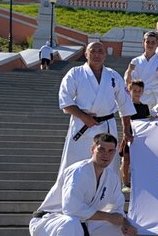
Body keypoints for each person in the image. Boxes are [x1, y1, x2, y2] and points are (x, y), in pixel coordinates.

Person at [30, 133, 137, 236]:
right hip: (48, 222)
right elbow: (71, 209)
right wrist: (108, 217)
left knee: (121, 229)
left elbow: (117, 208)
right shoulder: (78, 171)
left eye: (110, 151)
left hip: (81, 224)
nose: (106, 155)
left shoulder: (112, 178)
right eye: (101, 149)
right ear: (92, 149)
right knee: (70, 223)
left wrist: (124, 222)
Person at [41, 41, 135, 212]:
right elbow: (65, 101)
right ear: (86, 54)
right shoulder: (75, 73)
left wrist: (126, 128)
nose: (97, 54)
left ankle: (108, 207)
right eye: (93, 51)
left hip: (106, 126)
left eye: (101, 51)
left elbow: (125, 103)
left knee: (109, 168)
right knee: (75, 165)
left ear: (105, 55)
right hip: (82, 126)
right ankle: (67, 204)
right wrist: (84, 117)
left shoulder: (113, 76)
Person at [118, 80, 151, 192]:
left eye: (139, 91)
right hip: (128, 136)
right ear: (130, 90)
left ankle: (139, 182)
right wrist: (127, 135)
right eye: (135, 90)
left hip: (141, 139)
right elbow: (124, 121)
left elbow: (148, 121)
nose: (137, 93)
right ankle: (125, 183)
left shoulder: (145, 107)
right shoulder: (126, 105)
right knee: (126, 160)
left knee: (139, 161)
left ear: (142, 92)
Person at [125, 31, 158, 108]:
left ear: (157, 44)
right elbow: (128, 84)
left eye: (153, 42)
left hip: (154, 100)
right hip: (137, 99)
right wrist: (129, 71)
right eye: (148, 42)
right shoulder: (135, 61)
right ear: (143, 43)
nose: (150, 45)